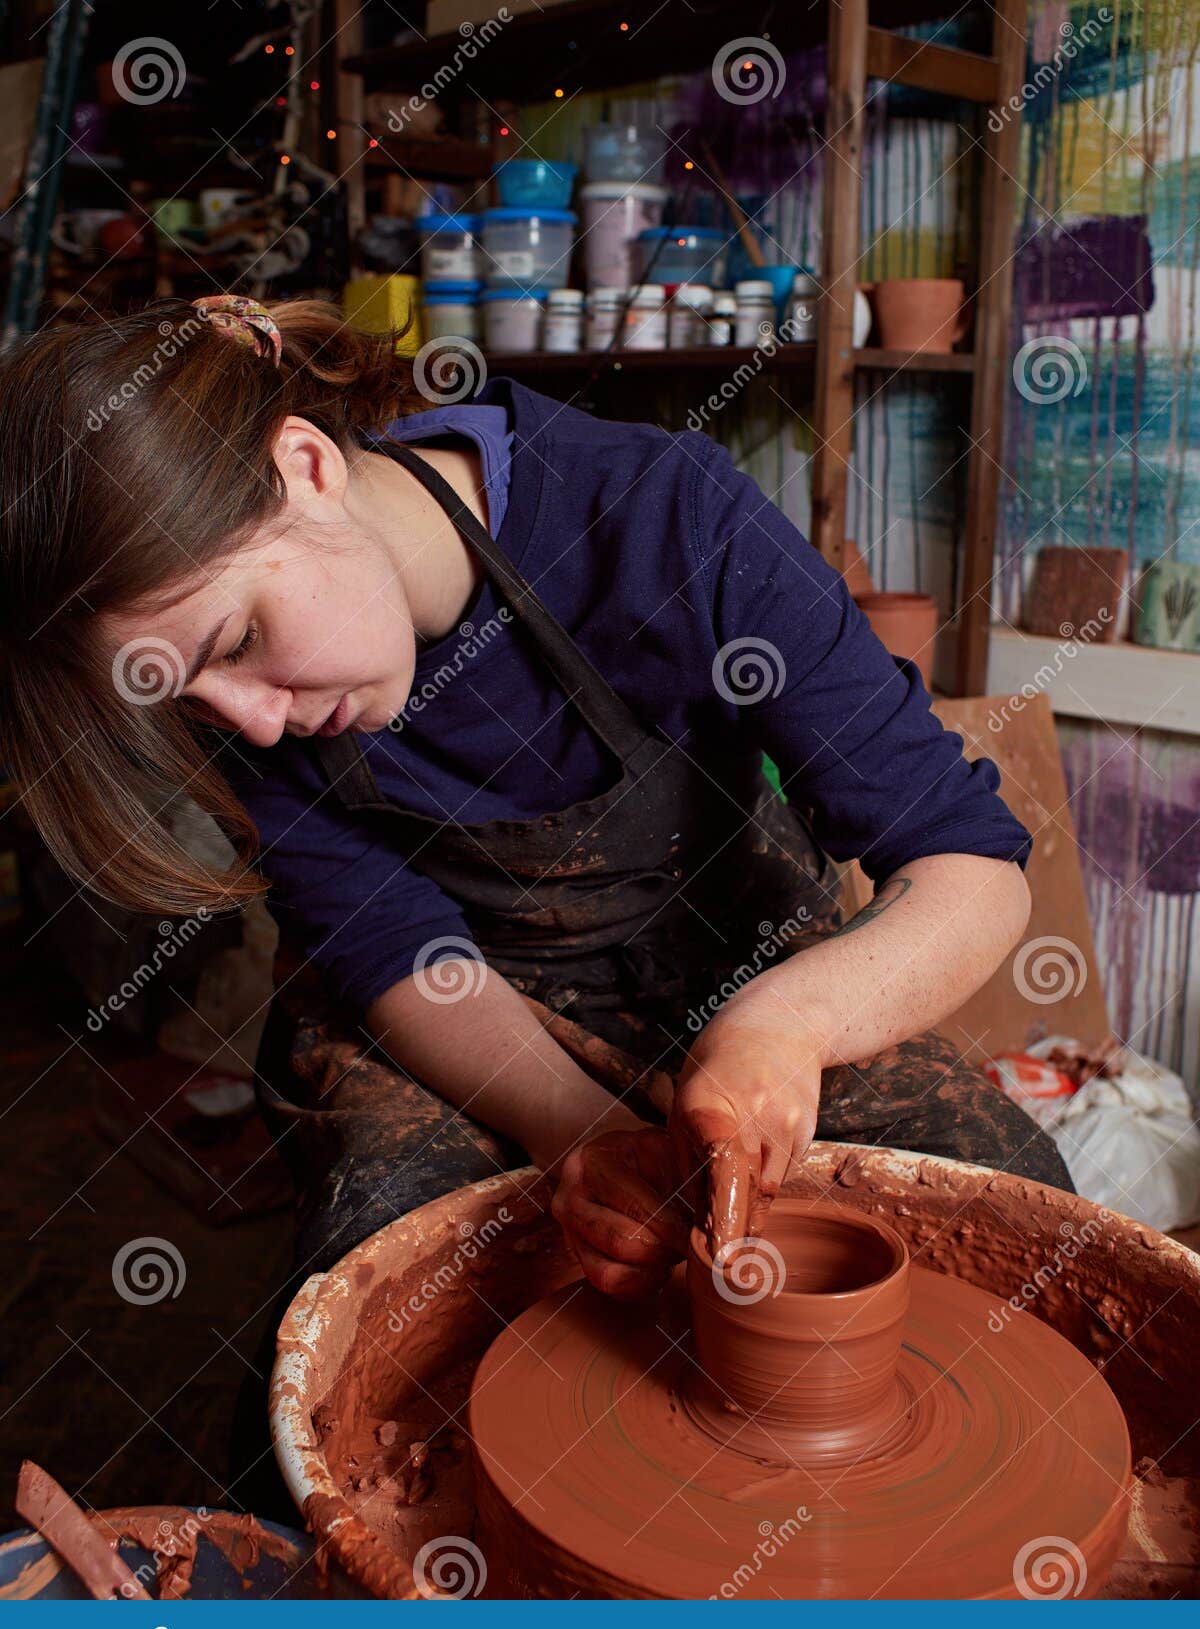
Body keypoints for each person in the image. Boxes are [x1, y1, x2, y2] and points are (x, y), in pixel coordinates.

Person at [0, 295, 1071, 1315]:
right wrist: (583, 1135)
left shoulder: (661, 515)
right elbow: (389, 945)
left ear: (307, 464)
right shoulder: (234, 697)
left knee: (1008, 1197)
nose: (256, 721)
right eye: (184, 693)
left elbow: (968, 868)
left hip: (737, 960)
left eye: (237, 644)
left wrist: (784, 1025)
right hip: (467, 1003)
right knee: (394, 1278)